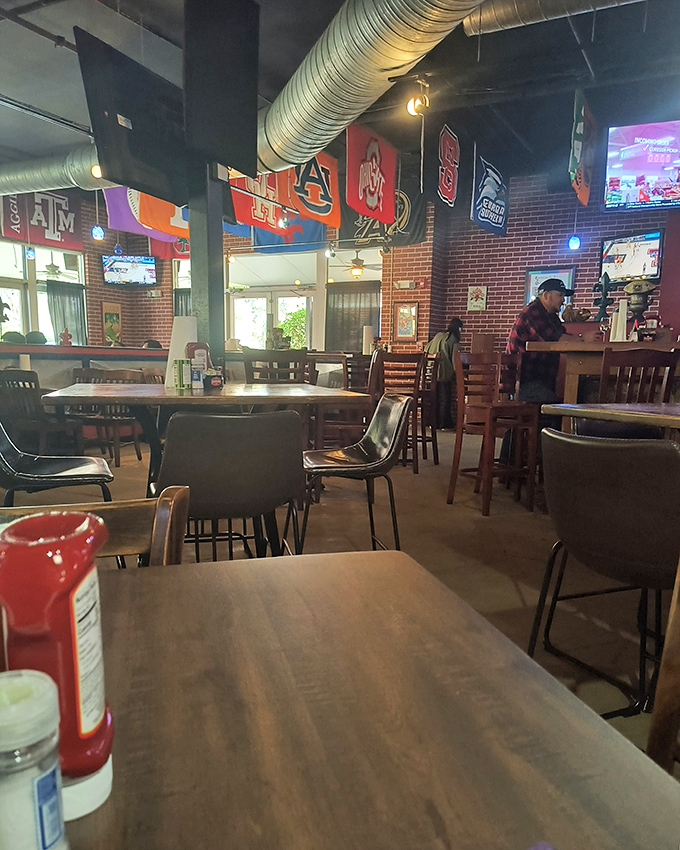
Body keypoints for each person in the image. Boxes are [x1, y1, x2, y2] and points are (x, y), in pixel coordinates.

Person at [424, 317, 463, 429]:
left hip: (432, 371)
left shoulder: (439, 335)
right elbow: (455, 359)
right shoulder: (454, 339)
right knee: (446, 399)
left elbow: (426, 349)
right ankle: (445, 423)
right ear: (459, 328)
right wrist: (460, 374)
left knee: (434, 398)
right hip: (445, 373)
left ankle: (433, 422)